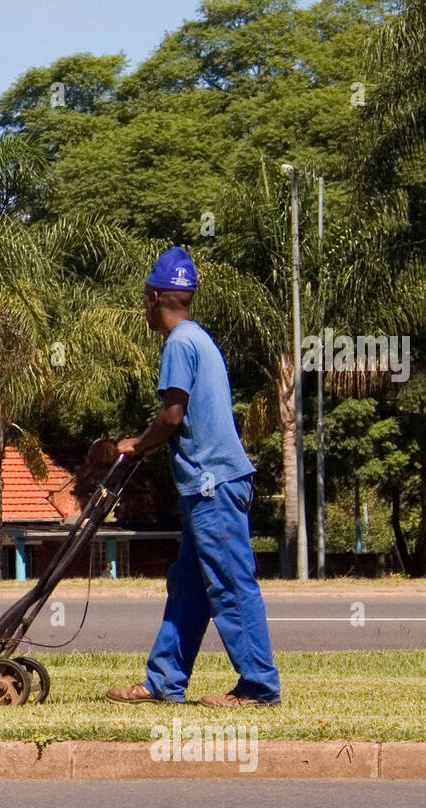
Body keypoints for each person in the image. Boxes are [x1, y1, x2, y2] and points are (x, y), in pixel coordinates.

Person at [107, 247, 281, 708]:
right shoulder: (199, 338)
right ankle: (165, 680)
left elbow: (172, 415)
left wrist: (137, 445)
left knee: (229, 583)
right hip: (213, 484)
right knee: (189, 586)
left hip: (213, 485)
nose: (144, 304)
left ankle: (259, 687)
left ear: (156, 296)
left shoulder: (179, 343)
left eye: (145, 296)